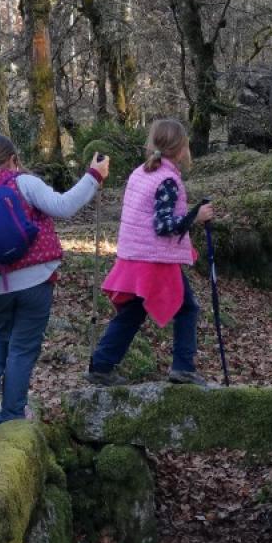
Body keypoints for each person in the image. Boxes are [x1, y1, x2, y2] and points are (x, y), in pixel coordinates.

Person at [0, 134, 107, 424]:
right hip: (37, 279)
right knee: (23, 346)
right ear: (13, 159)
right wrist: (93, 176)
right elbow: (64, 207)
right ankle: (12, 413)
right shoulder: (25, 183)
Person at [85, 118, 214, 387]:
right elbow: (164, 225)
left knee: (132, 312)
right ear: (180, 149)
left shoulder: (140, 172)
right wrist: (196, 216)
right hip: (154, 260)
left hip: (133, 255)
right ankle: (183, 367)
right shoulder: (167, 180)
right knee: (187, 308)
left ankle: (101, 365)